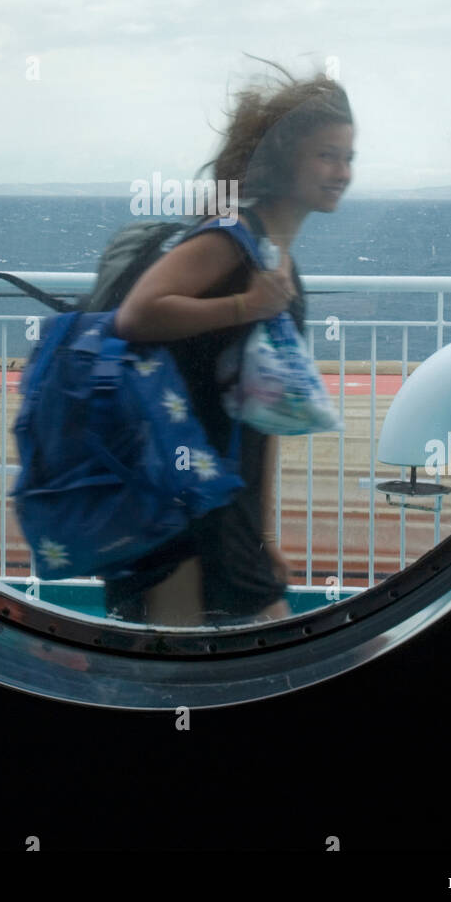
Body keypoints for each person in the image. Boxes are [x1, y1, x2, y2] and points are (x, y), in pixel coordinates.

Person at [105, 61, 355, 628]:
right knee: (179, 666)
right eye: (326, 154)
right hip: (176, 493)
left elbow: (262, 411)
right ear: (284, 158)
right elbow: (136, 315)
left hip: (225, 499)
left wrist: (264, 533)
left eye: (348, 157)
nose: (341, 170)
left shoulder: (279, 258)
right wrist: (246, 306)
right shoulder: (229, 238)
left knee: (232, 657)